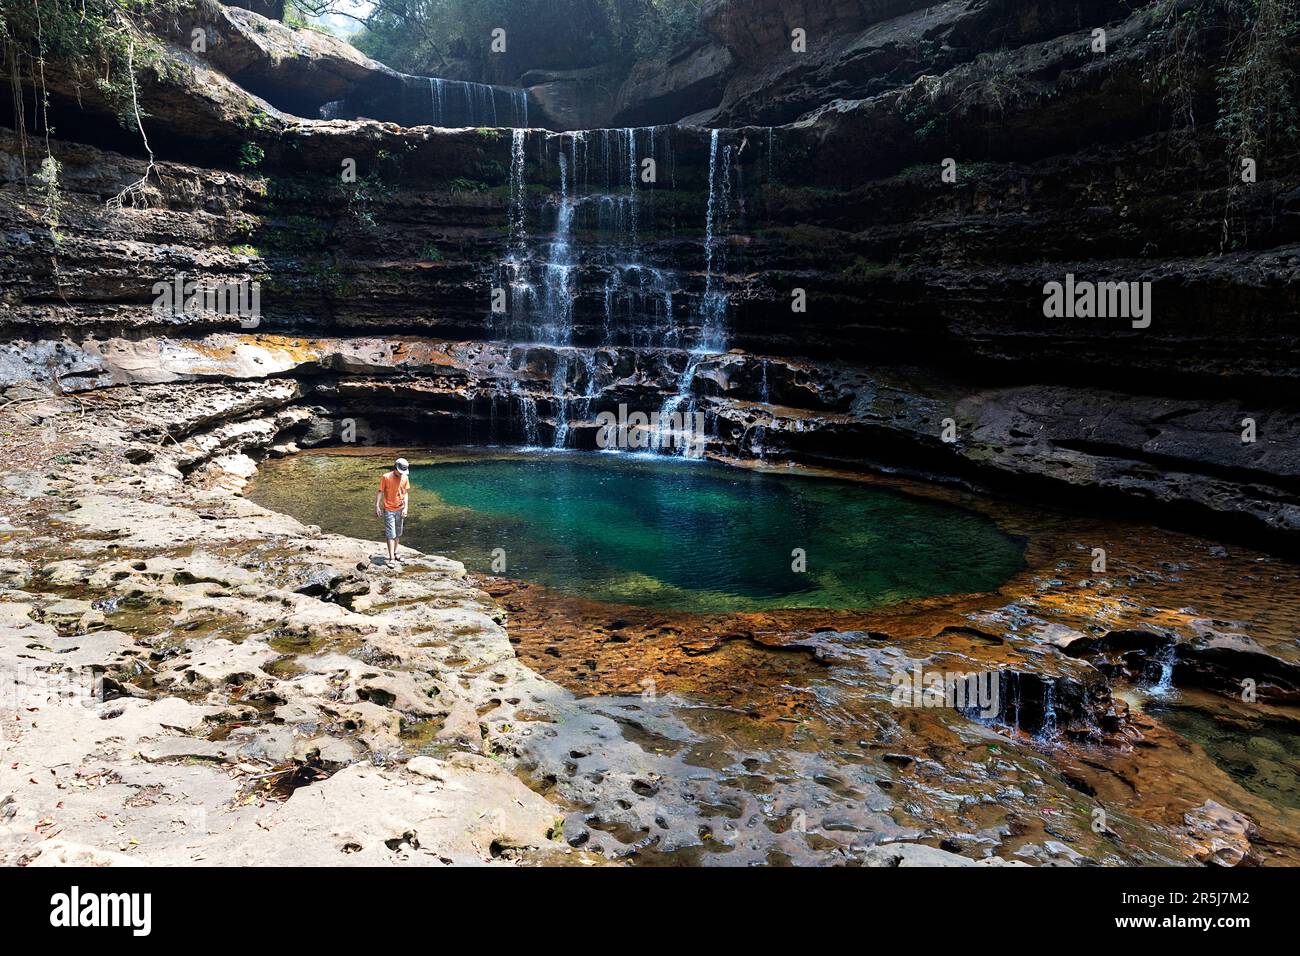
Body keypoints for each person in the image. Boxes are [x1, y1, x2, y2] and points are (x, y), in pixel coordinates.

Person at [375, 457, 410, 563]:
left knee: (398, 533)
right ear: (395, 468)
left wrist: (406, 508)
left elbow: (406, 493)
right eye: (400, 472)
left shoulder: (405, 478)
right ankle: (391, 558)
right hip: (389, 509)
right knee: (391, 534)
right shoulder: (386, 477)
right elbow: (380, 491)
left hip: (400, 508)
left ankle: (395, 552)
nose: (401, 474)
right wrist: (377, 506)